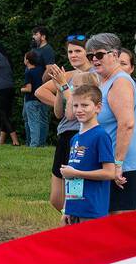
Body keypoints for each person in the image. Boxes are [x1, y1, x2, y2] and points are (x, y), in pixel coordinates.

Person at [81, 33, 136, 213]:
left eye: (100, 55)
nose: (94, 59)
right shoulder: (105, 80)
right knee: (107, 218)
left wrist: (118, 163)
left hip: (124, 164)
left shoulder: (120, 82)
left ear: (115, 55)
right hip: (109, 162)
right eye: (90, 56)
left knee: (119, 221)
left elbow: (127, 124)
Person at [38, 36, 97, 205]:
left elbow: (74, 113)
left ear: (88, 53)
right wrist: (58, 90)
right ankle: (74, 226)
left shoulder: (94, 76)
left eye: (78, 51)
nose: (73, 55)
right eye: (70, 51)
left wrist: (64, 86)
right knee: (56, 199)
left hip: (80, 137)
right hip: (64, 135)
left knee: (75, 197)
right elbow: (59, 114)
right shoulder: (68, 76)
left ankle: (79, 227)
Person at [55, 83, 116, 224]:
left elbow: (109, 173)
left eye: (85, 105)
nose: (79, 110)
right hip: (74, 209)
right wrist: (66, 209)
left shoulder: (100, 136)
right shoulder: (75, 139)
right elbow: (72, 179)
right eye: (76, 106)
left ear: (98, 107)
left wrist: (76, 173)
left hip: (92, 210)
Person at [20, 49, 48, 147]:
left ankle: (33, 144)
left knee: (33, 123)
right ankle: (41, 143)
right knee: (43, 121)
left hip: (31, 100)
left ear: (27, 60)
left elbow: (28, 88)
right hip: (42, 99)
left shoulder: (28, 72)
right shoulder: (41, 70)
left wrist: (21, 89)